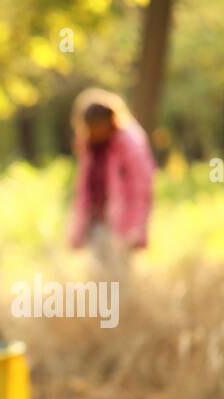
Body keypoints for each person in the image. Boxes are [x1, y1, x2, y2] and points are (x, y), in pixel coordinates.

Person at [67, 88, 155, 271]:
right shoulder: (89, 147)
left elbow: (142, 187)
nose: (96, 131)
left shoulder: (129, 144)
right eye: (91, 127)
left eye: (99, 125)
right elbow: (83, 189)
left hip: (122, 222)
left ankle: (123, 300)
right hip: (97, 222)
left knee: (120, 274)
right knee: (99, 274)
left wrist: (136, 227)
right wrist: (78, 229)